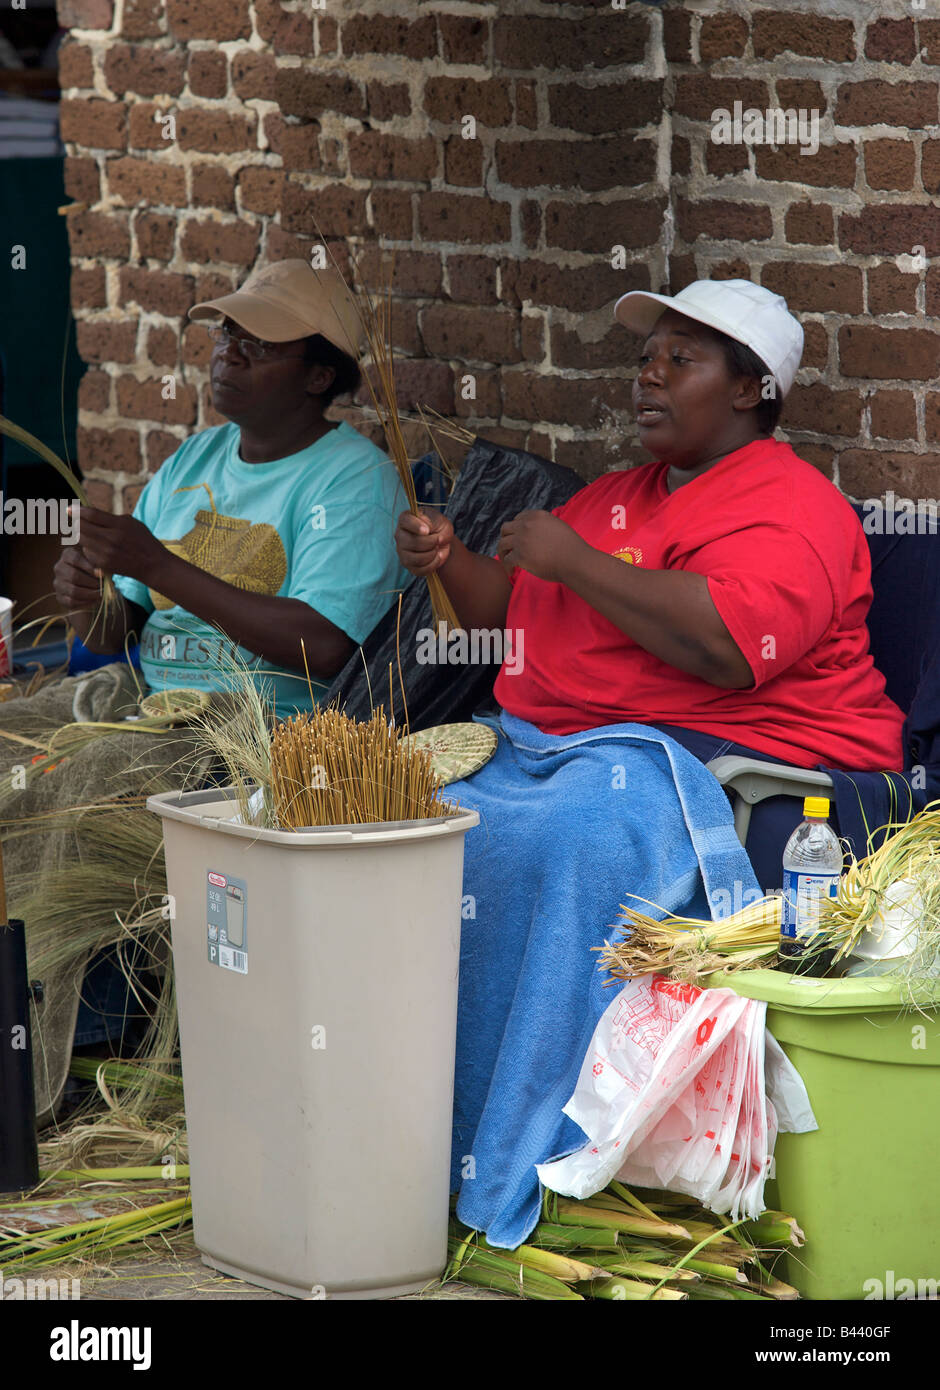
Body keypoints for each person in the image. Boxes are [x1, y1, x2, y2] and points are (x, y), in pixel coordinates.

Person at [393, 278, 906, 1247]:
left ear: (750, 389)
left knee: (568, 839)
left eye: (681, 359)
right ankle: (419, 1133)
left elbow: (728, 649)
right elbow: (515, 613)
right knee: (410, 819)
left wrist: (573, 560)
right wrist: (451, 560)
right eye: (645, 359)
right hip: (560, 745)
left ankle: (537, 1154)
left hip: (720, 759)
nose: (649, 377)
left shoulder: (793, 508)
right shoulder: (613, 499)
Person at [54, 259, 411, 714]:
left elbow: (323, 646)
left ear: (319, 376)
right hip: (158, 708)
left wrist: (157, 565)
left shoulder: (356, 479)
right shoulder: (193, 458)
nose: (230, 355)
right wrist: (86, 597)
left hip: (263, 726)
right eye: (227, 334)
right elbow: (114, 636)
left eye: (260, 345)